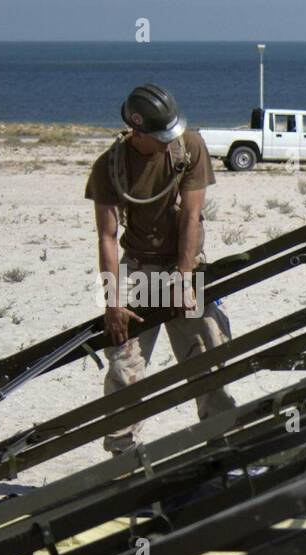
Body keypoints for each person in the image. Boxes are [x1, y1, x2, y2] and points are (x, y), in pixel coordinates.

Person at [85, 83, 235, 454]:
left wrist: (184, 279)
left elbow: (191, 216)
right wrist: (113, 303)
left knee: (209, 357)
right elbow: (107, 235)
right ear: (137, 131)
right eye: (160, 136)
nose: (169, 141)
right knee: (125, 369)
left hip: (184, 266)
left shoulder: (191, 147)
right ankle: (122, 455)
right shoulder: (110, 167)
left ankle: (220, 445)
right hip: (138, 271)